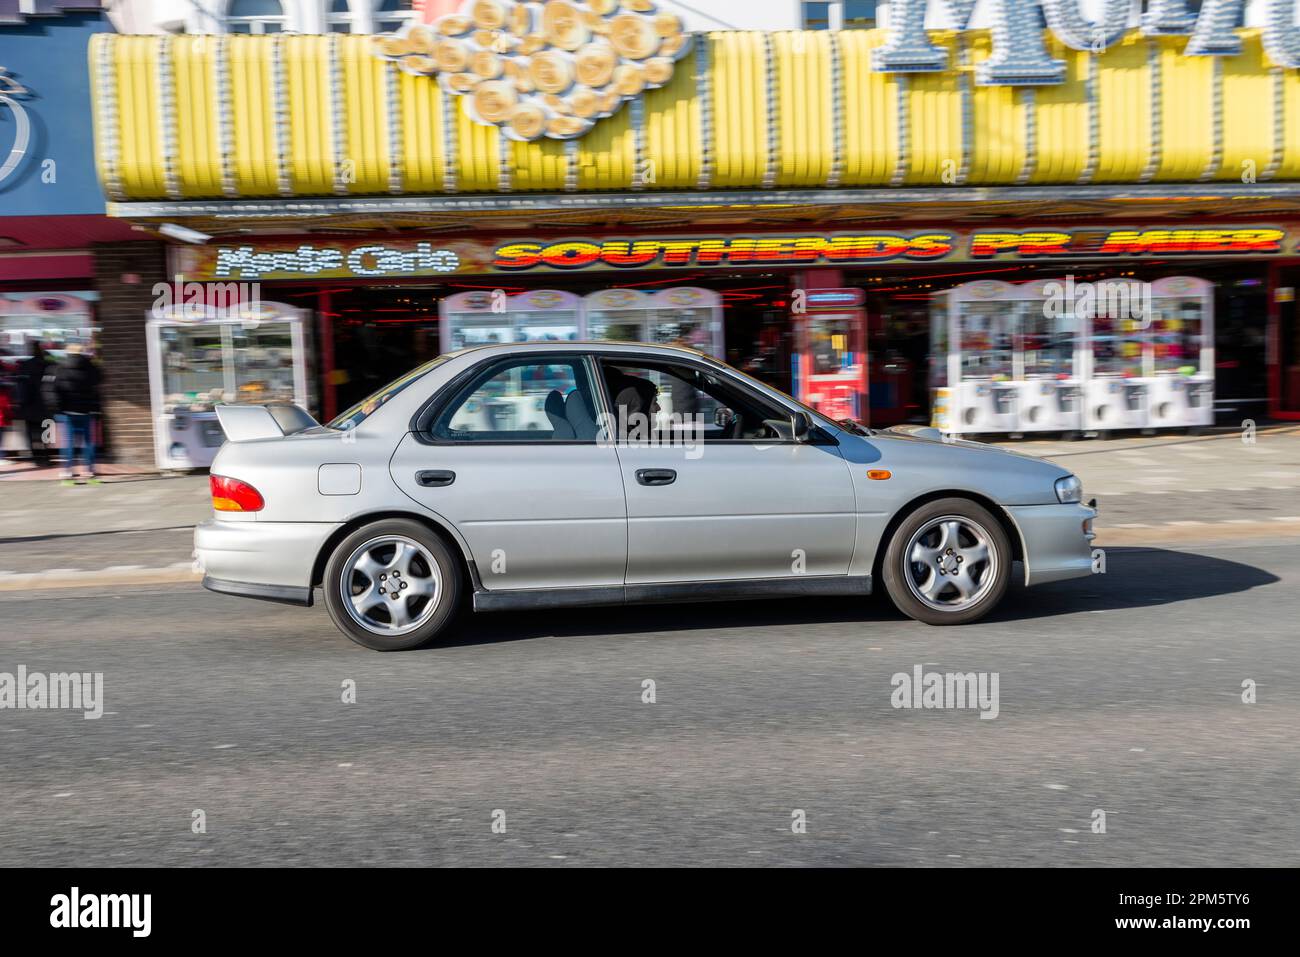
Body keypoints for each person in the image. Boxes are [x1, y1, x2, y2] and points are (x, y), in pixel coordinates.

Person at [52, 343, 103, 486]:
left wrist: (59, 407)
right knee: (88, 442)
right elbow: (100, 380)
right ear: (82, 353)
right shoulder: (90, 367)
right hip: (87, 410)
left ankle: (67, 474)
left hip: (68, 411)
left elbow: (55, 389)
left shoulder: (60, 367)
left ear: (67, 353)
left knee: (68, 442)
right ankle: (90, 473)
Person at [16, 340, 51, 468]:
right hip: (45, 404)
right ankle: (46, 456)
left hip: (29, 405)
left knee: (31, 432)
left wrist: (21, 403)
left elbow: (21, 386)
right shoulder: (47, 365)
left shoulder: (25, 365)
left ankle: (36, 458)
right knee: (46, 432)